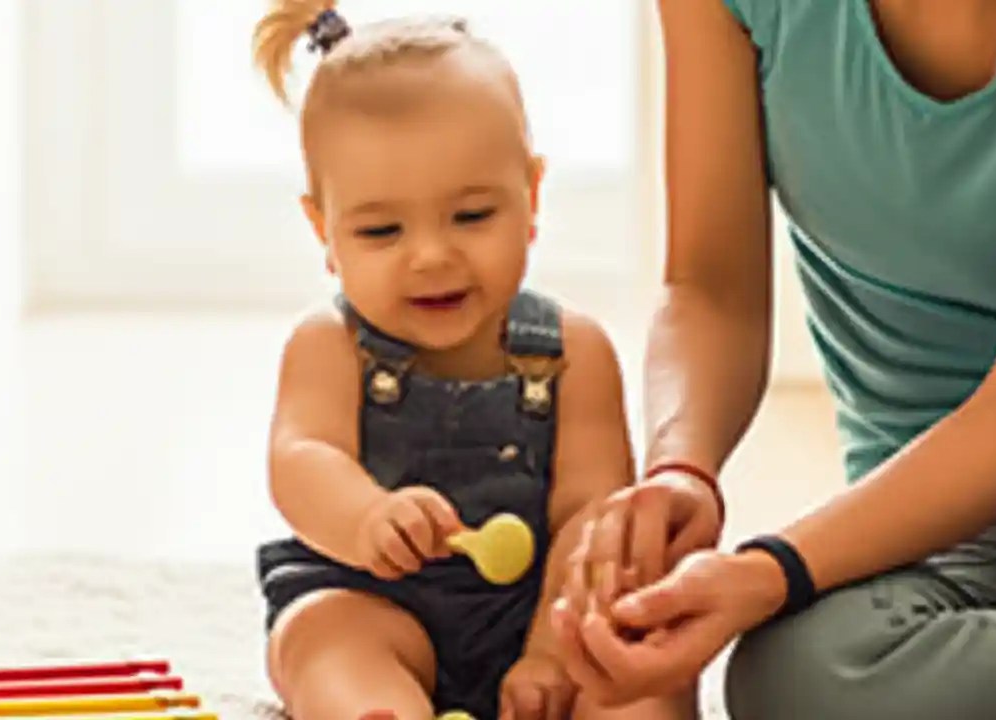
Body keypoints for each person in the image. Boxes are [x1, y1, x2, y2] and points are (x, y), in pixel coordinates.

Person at [549, 0, 996, 718]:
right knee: (800, 677)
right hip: (924, 497)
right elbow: (712, 289)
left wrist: (769, 569)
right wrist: (682, 469)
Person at [249, 2, 695, 719]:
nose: (432, 256)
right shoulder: (329, 346)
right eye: (382, 230)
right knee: (323, 639)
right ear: (324, 231)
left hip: (540, 607)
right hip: (373, 597)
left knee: (645, 671)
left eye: (472, 216)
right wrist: (366, 518)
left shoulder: (572, 352)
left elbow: (589, 516)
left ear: (532, 197)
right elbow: (299, 460)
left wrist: (553, 648)